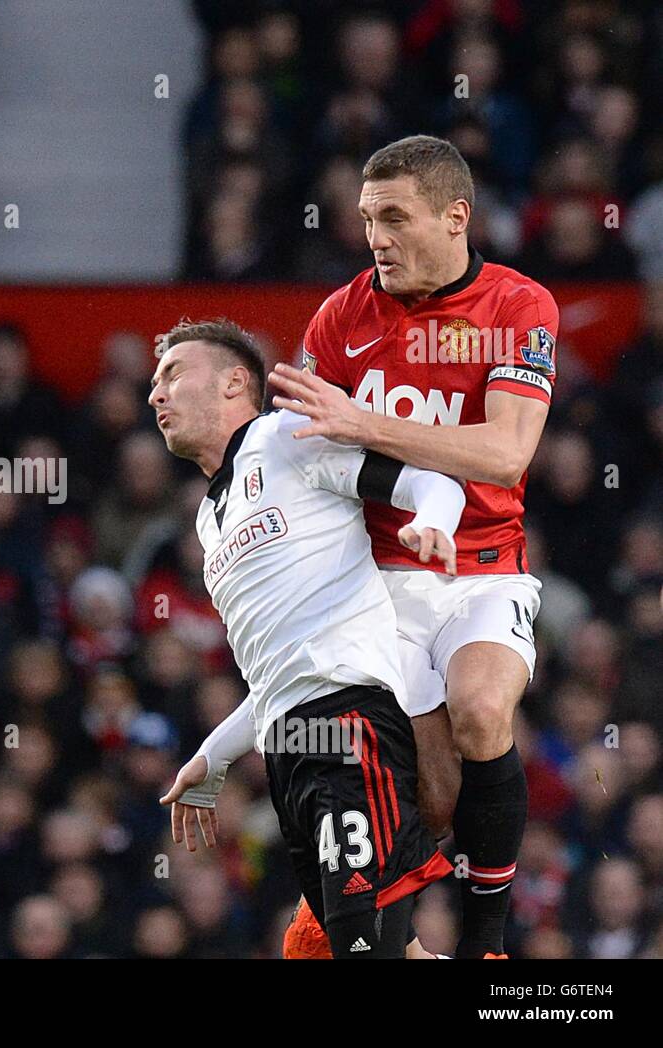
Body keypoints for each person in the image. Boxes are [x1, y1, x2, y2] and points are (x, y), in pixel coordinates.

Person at [267, 135, 558, 958]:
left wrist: (365, 423)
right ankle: (353, 934)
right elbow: (306, 453)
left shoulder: (518, 307)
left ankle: (488, 942)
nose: (375, 238)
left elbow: (505, 453)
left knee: (481, 709)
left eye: (394, 218)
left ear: (454, 216)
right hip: (377, 582)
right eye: (367, 221)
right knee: (428, 797)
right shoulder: (340, 317)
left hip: (484, 569)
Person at [150, 318, 463, 958]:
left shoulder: (285, 437)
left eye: (173, 374)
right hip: (288, 750)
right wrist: (213, 756)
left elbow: (432, 481)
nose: (155, 395)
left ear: (237, 381)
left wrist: (432, 524)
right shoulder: (209, 520)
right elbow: (275, 678)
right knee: (381, 950)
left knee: (361, 946)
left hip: (350, 727)